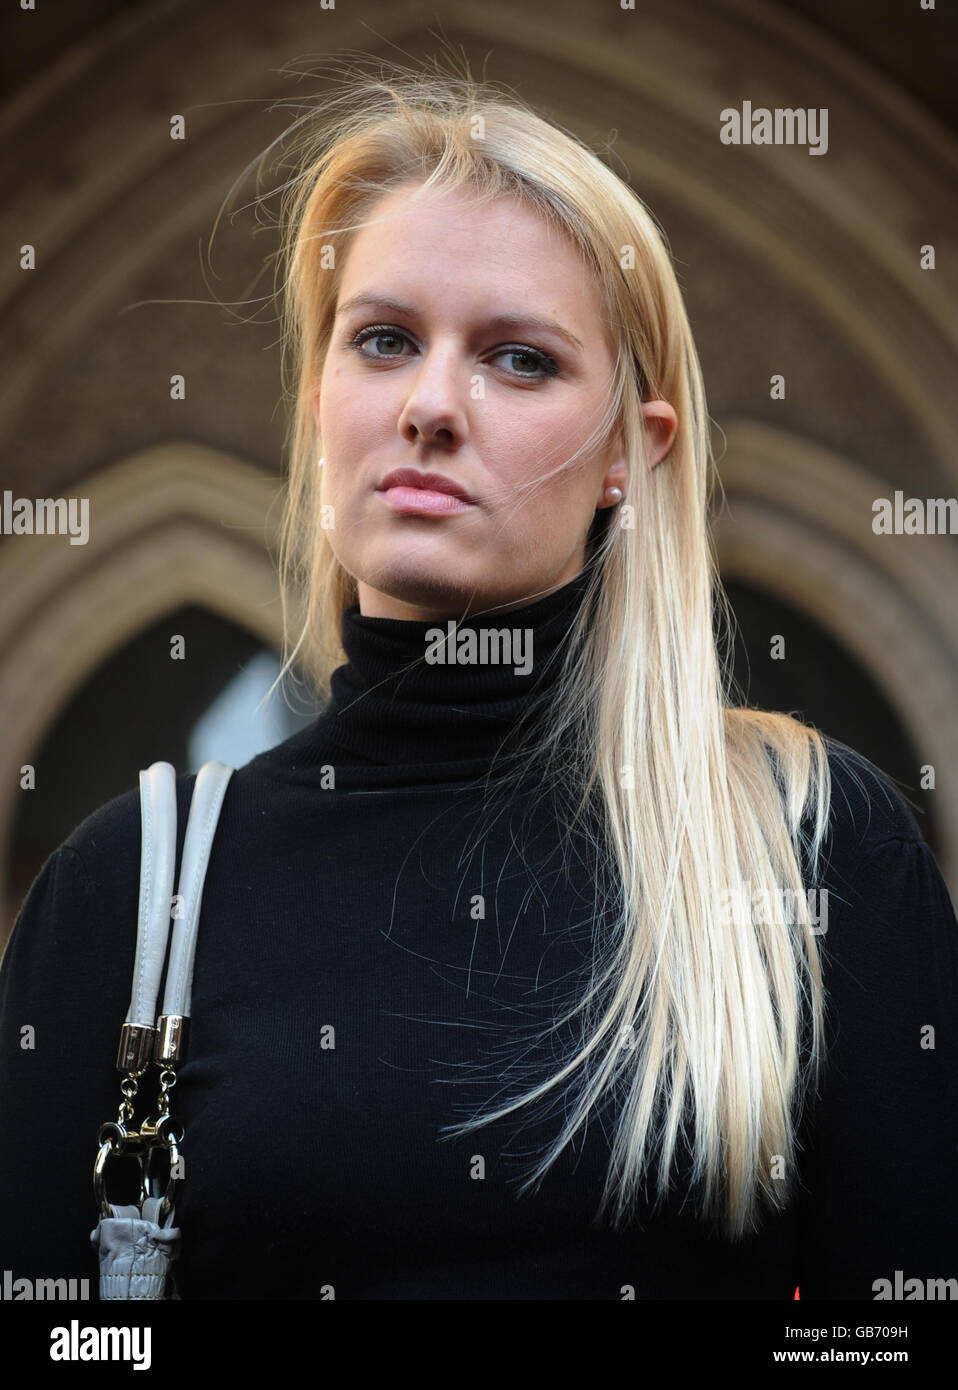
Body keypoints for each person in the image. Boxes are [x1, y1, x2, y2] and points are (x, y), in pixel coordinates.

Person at [1, 60, 956, 1302]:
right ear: (319, 399)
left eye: (517, 359)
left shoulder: (807, 844)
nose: (430, 405)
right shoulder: (131, 889)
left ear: (627, 454)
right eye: (384, 340)